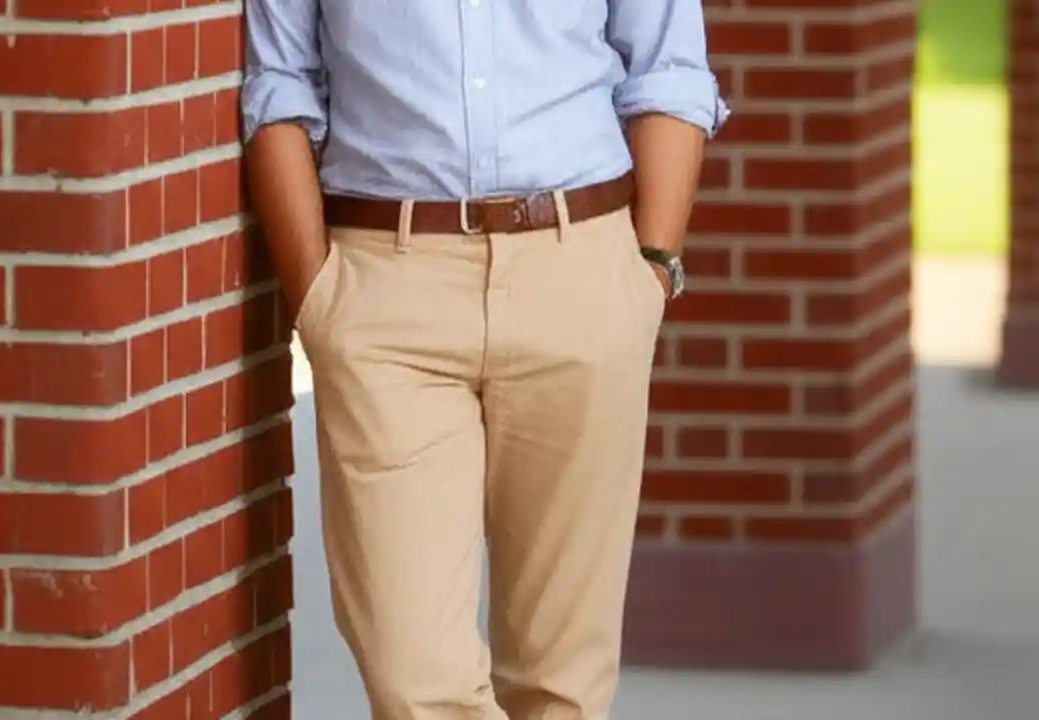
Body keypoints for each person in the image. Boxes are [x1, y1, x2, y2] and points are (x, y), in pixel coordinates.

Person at [242, 1, 726, 717]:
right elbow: (279, 83)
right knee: (416, 680)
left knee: (560, 684)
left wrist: (648, 272)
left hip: (580, 274)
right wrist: (319, 298)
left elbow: (669, 70)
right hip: (386, 294)